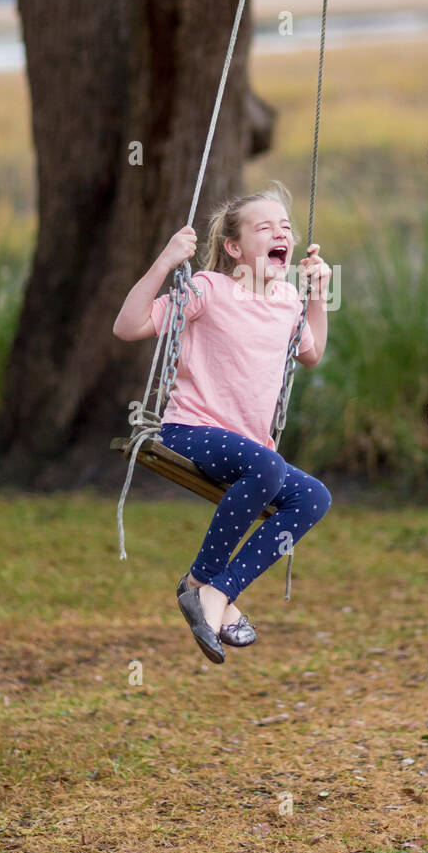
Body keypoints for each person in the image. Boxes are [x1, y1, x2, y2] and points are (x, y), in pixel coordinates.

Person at [112, 181, 332, 664]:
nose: (281, 233)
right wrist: (166, 261)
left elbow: (312, 353)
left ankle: (218, 592)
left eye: (286, 227)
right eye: (265, 227)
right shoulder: (209, 290)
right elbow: (128, 326)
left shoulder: (288, 301)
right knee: (268, 468)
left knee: (314, 496)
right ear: (234, 248)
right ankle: (199, 583)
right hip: (188, 432)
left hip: (249, 450)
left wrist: (318, 294)